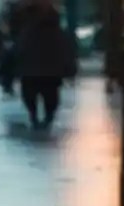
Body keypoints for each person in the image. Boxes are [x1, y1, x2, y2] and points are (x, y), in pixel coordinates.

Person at [14, 0, 77, 129]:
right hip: (49, 69)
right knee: (49, 95)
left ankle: (36, 116)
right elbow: (65, 48)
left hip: (32, 69)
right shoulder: (54, 27)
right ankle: (46, 117)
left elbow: (18, 49)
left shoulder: (27, 27)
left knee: (32, 94)